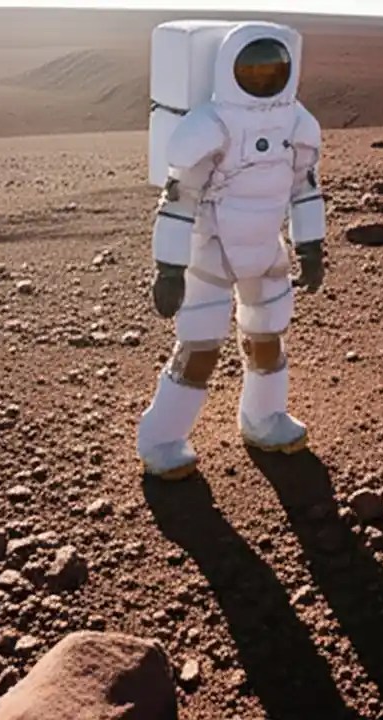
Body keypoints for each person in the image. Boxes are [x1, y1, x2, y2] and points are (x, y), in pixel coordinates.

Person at [137, 21, 327, 480]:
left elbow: (304, 188)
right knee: (199, 348)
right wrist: (169, 267)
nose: (264, 78)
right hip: (213, 251)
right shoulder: (210, 125)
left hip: (266, 250)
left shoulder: (296, 122)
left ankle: (264, 419)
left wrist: (311, 246)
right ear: (229, 67)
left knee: (267, 340)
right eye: (254, 70)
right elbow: (179, 199)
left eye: (272, 69)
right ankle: (161, 439)